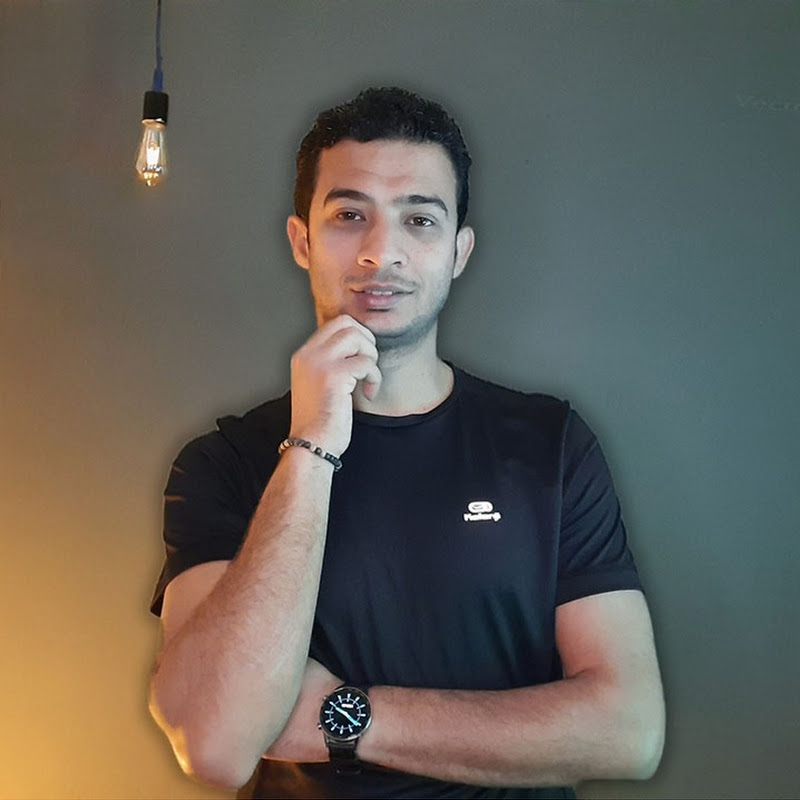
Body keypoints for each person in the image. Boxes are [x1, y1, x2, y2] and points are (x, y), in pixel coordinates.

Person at [148, 87, 665, 800]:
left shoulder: (551, 446)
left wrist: (345, 718)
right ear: (301, 240)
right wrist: (312, 446)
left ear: (458, 252)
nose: (380, 252)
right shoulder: (224, 463)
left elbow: (629, 731)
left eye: (418, 219)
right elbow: (214, 741)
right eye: (349, 215)